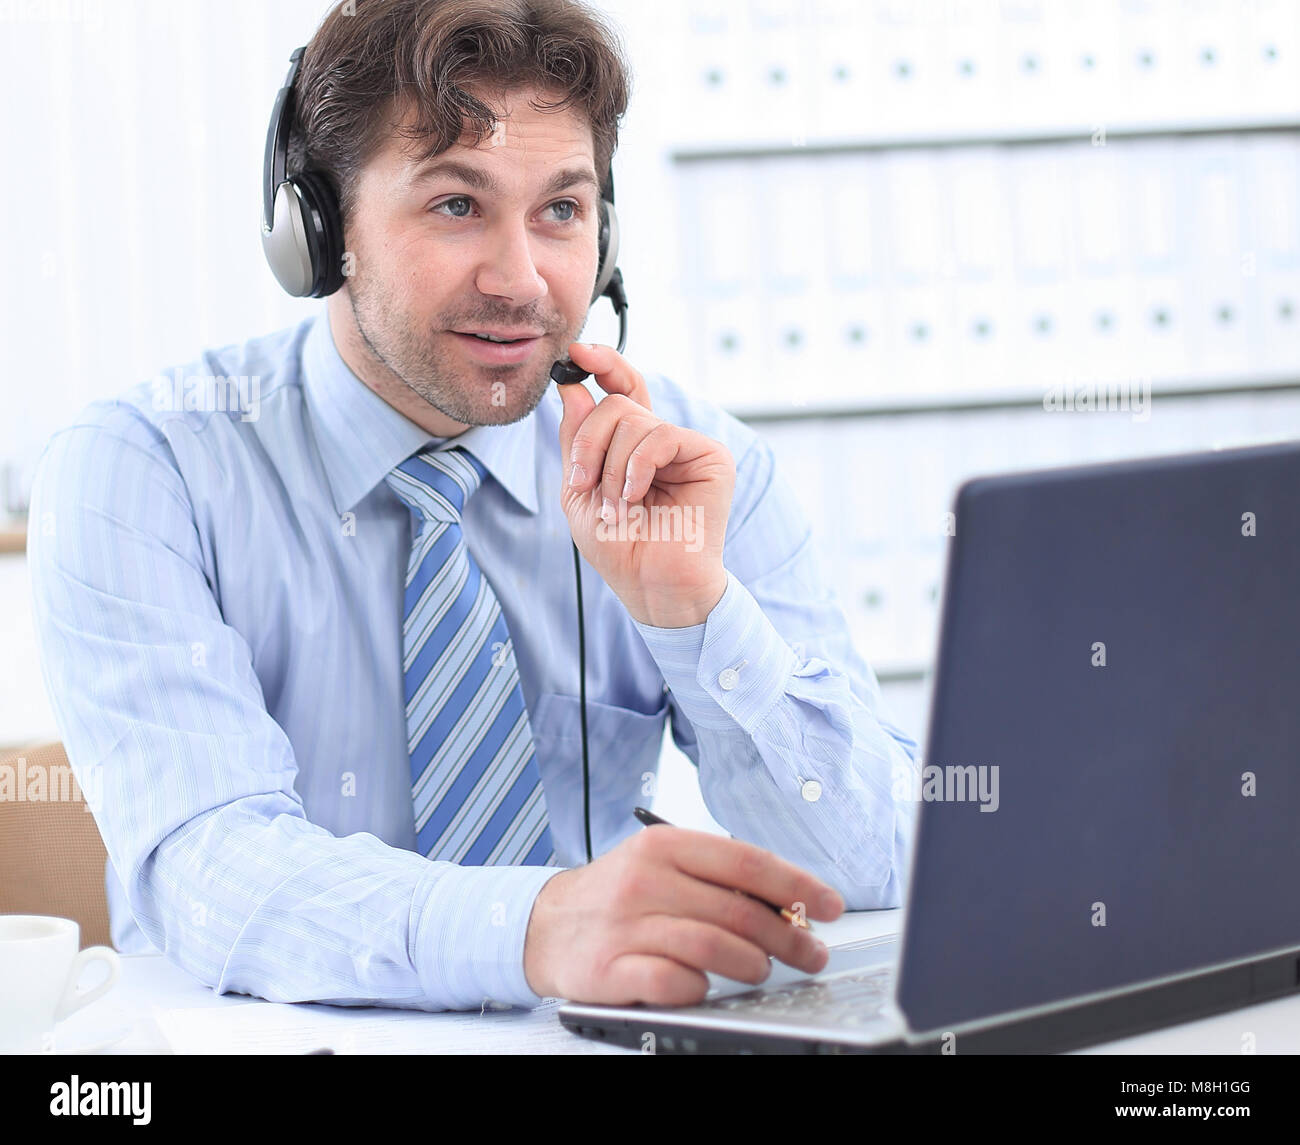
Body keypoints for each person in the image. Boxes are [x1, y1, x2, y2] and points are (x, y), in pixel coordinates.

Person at [27, 0, 919, 1014]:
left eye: (562, 211)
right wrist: (532, 926)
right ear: (317, 228)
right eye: (456, 204)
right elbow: (206, 862)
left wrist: (699, 614)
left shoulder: (695, 468)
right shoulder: (140, 472)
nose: (522, 280)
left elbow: (875, 863)